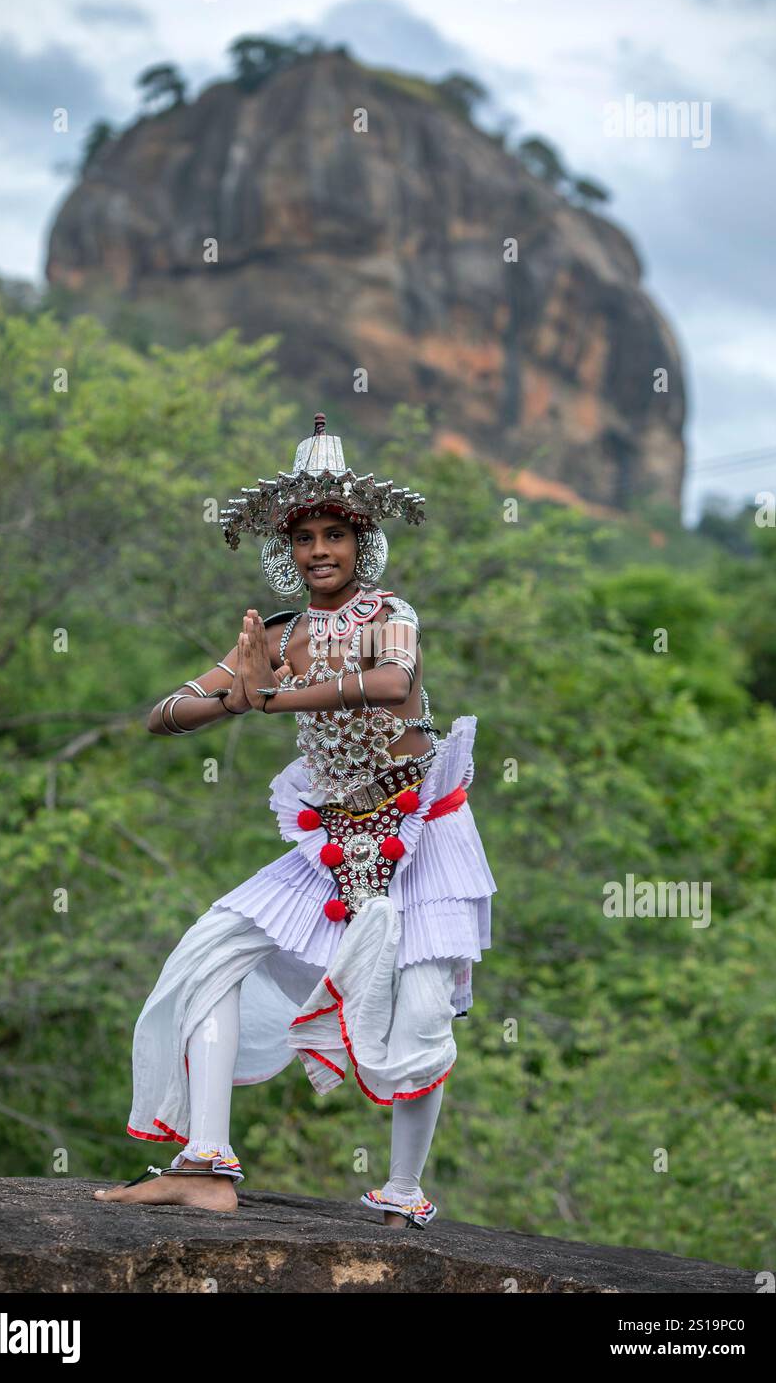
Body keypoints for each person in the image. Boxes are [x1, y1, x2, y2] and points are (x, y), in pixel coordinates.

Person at [94, 414, 496, 1229]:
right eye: (306, 536)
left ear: (362, 543)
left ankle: (403, 1193)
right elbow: (163, 714)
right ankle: (205, 1163)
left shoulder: (391, 613)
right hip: (330, 844)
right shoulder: (278, 636)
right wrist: (225, 698)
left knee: (421, 1010)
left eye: (336, 534)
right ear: (288, 548)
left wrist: (274, 695)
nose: (321, 550)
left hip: (420, 834)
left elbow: (391, 683)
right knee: (211, 953)